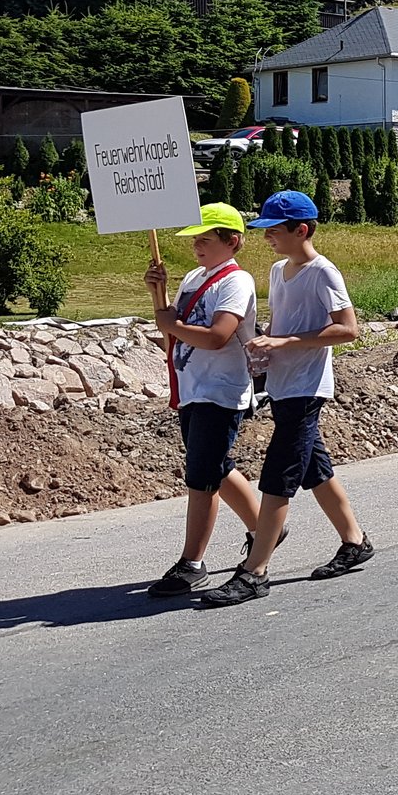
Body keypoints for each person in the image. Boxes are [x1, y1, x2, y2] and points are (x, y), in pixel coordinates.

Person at [205, 191, 373, 606]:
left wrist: (284, 342)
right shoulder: (279, 270)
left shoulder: (323, 272)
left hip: (307, 388)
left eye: (274, 230)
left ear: (301, 230)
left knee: (278, 475)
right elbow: (284, 325)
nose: (267, 238)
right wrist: (266, 346)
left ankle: (255, 572)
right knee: (315, 468)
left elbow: (348, 329)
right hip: (282, 385)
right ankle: (354, 541)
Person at [143, 203, 264, 598]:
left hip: (220, 390)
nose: (196, 245)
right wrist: (158, 295)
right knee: (216, 466)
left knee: (201, 476)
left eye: (205, 239)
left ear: (232, 242)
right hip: (193, 387)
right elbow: (171, 330)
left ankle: (192, 563)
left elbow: (217, 336)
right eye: (195, 238)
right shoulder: (194, 278)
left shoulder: (237, 281)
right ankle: (266, 529)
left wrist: (172, 323)